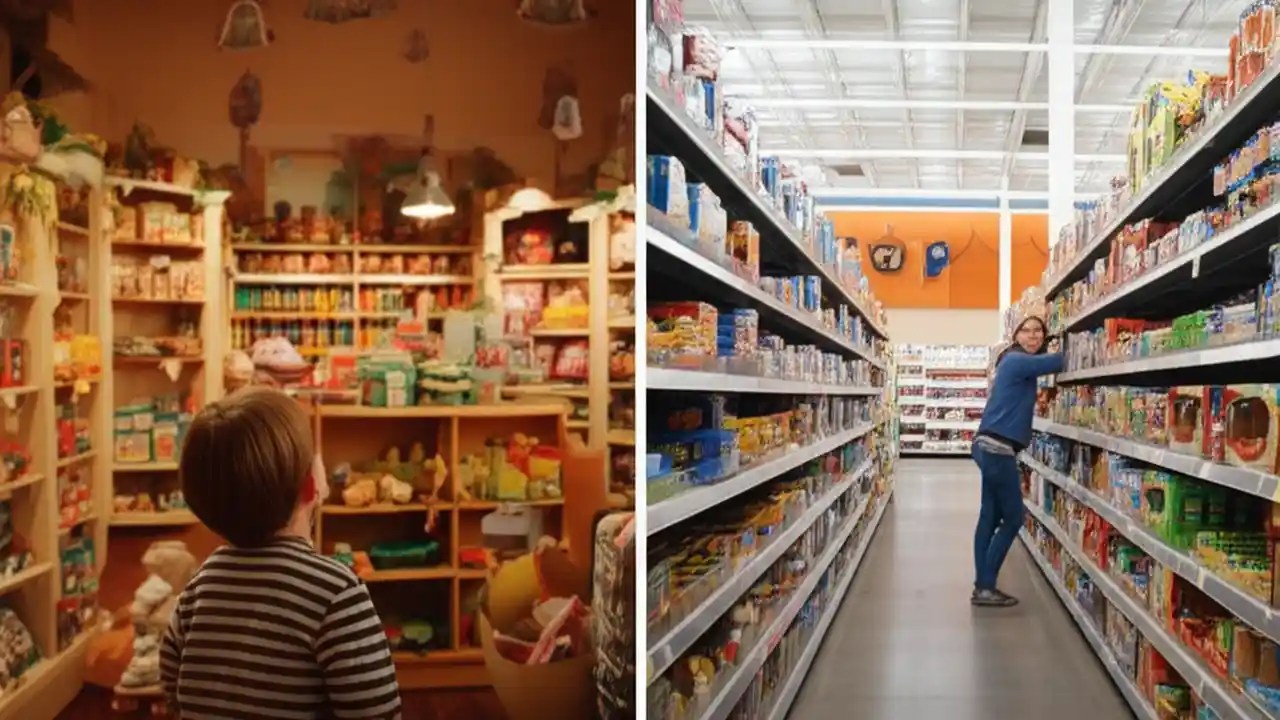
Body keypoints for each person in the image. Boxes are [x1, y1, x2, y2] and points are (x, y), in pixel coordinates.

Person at [160, 387, 403, 719]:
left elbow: (173, 687)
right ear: (310, 487)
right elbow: (377, 712)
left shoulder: (201, 586)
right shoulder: (336, 592)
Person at [971, 315, 1062, 607]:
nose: (1033, 336)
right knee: (1013, 519)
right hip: (997, 449)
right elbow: (1059, 361)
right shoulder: (1016, 360)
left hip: (988, 445)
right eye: (1027, 331)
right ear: (1016, 335)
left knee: (989, 516)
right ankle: (986, 586)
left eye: (1039, 331)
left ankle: (982, 584)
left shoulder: (1013, 360)